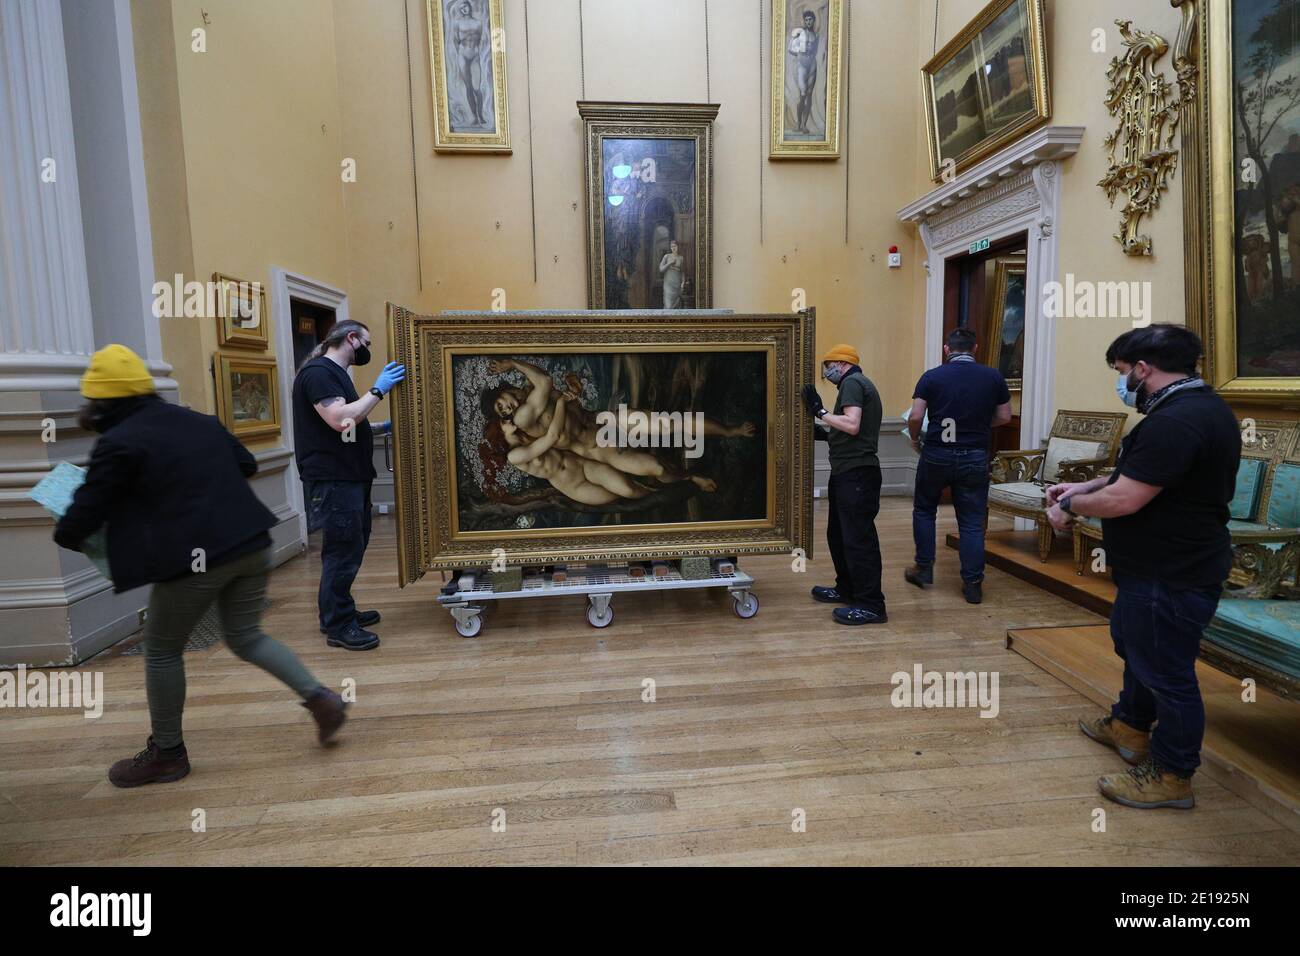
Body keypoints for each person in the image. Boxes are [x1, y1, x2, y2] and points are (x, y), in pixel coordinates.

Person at [53, 345, 346, 788]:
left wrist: (65, 532)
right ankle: (321, 698)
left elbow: (87, 511)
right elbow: (246, 463)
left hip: (197, 559)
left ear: (100, 401)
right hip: (251, 542)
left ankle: (167, 754)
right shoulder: (197, 420)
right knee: (247, 636)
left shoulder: (118, 442)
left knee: (162, 649)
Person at [1045, 324, 1240, 810]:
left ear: (1143, 369)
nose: (1122, 381)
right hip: (1158, 565)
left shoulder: (1177, 421)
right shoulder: (1191, 409)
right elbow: (1135, 476)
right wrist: (1084, 487)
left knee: (1167, 671)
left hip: (1172, 569)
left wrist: (1068, 510)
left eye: (1121, 372)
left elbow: (1129, 498)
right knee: (1139, 647)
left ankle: (1173, 774)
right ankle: (1130, 724)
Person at [291, 320, 405, 651]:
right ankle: (340, 626)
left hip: (348, 476)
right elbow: (341, 420)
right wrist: (378, 389)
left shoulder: (334, 374)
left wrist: (383, 426)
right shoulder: (318, 373)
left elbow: (352, 421)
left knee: (350, 546)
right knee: (342, 551)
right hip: (334, 479)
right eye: (366, 343)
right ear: (351, 338)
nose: (367, 350)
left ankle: (337, 612)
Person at [905, 327, 1012, 604]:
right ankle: (973, 583)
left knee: (925, 510)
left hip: (938, 452)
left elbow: (916, 416)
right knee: (972, 523)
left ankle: (924, 568)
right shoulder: (993, 376)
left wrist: (916, 439)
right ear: (975, 348)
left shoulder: (932, 377)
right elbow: (1004, 415)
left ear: (947, 349)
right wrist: (975, 425)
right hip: (974, 455)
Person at [802, 344, 887, 626]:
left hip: (857, 475)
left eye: (828, 366)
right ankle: (847, 589)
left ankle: (871, 605)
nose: (827, 372)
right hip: (848, 472)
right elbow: (852, 433)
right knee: (839, 535)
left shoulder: (852, 382)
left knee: (858, 540)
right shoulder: (856, 384)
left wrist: (819, 410)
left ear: (842, 363)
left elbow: (851, 425)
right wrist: (824, 432)